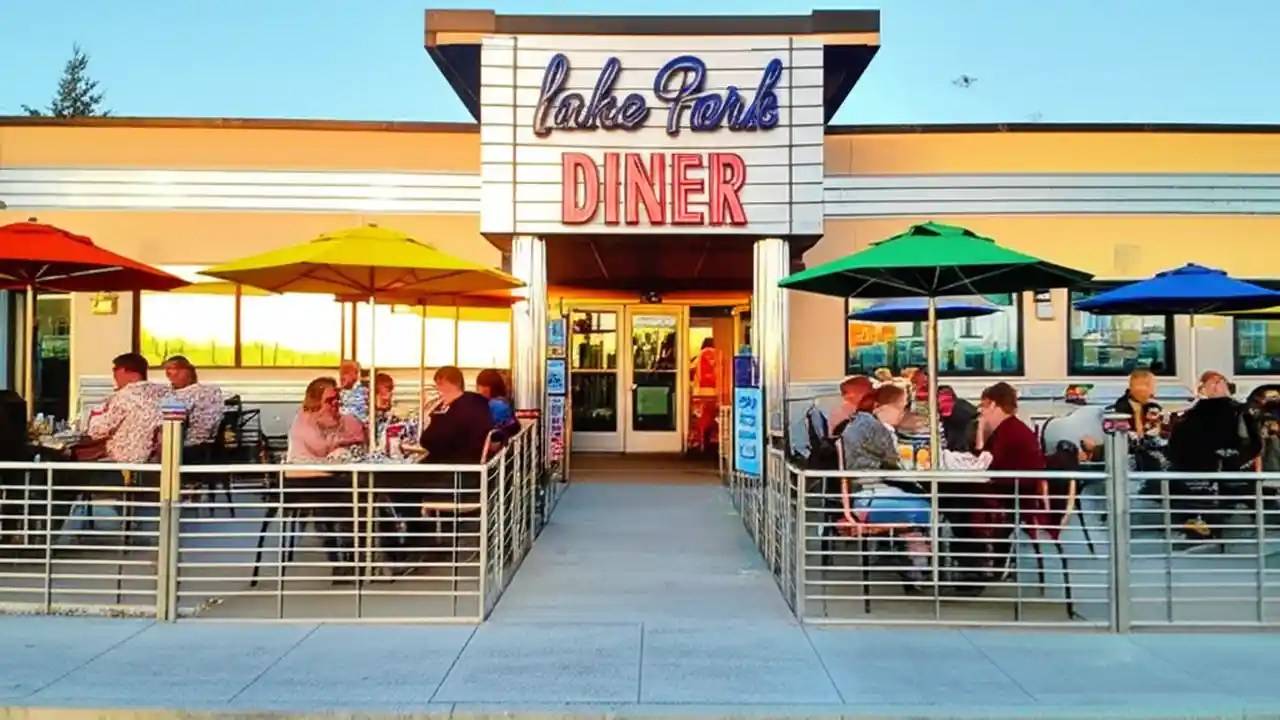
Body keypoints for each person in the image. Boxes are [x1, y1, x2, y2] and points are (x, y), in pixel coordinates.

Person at [836, 383, 933, 591]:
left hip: (864, 492)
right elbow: (894, 463)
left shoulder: (862, 422)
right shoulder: (874, 428)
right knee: (928, 508)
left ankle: (915, 564)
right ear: (882, 407)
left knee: (920, 502)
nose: (902, 414)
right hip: (870, 497)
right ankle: (919, 567)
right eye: (901, 408)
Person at [1166, 370, 1262, 539]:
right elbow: (1177, 448)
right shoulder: (1188, 417)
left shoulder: (1243, 413)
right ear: (1202, 389)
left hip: (1232, 469)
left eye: (1219, 381)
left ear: (1227, 385)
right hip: (1201, 471)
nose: (1216, 385)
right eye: (1211, 382)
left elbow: (1255, 444)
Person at [84, 353, 169, 463]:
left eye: (115, 369)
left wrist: (96, 413)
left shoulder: (123, 396)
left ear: (127, 370)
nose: (113, 374)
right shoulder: (165, 392)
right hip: (160, 460)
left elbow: (96, 431)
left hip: (128, 462)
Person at [419, 366, 495, 467]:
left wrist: (433, 414)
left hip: (453, 471)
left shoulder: (454, 411)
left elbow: (427, 441)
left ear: (442, 383)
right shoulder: (478, 402)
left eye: (437, 386)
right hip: (472, 465)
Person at [287, 377, 365, 463]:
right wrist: (340, 444)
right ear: (315, 403)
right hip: (304, 471)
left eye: (337, 399)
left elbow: (359, 439)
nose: (335, 403)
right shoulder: (302, 423)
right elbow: (319, 446)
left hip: (339, 473)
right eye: (330, 400)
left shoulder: (347, 420)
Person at [163, 355, 224, 449]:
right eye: (167, 370)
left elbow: (204, 429)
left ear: (187, 372)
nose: (169, 373)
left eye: (174, 369)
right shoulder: (166, 392)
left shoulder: (205, 393)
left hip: (192, 446)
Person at [475, 368, 520, 442]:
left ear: (487, 388)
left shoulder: (495, 405)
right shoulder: (503, 402)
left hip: (493, 444)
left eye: (479, 386)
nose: (478, 390)